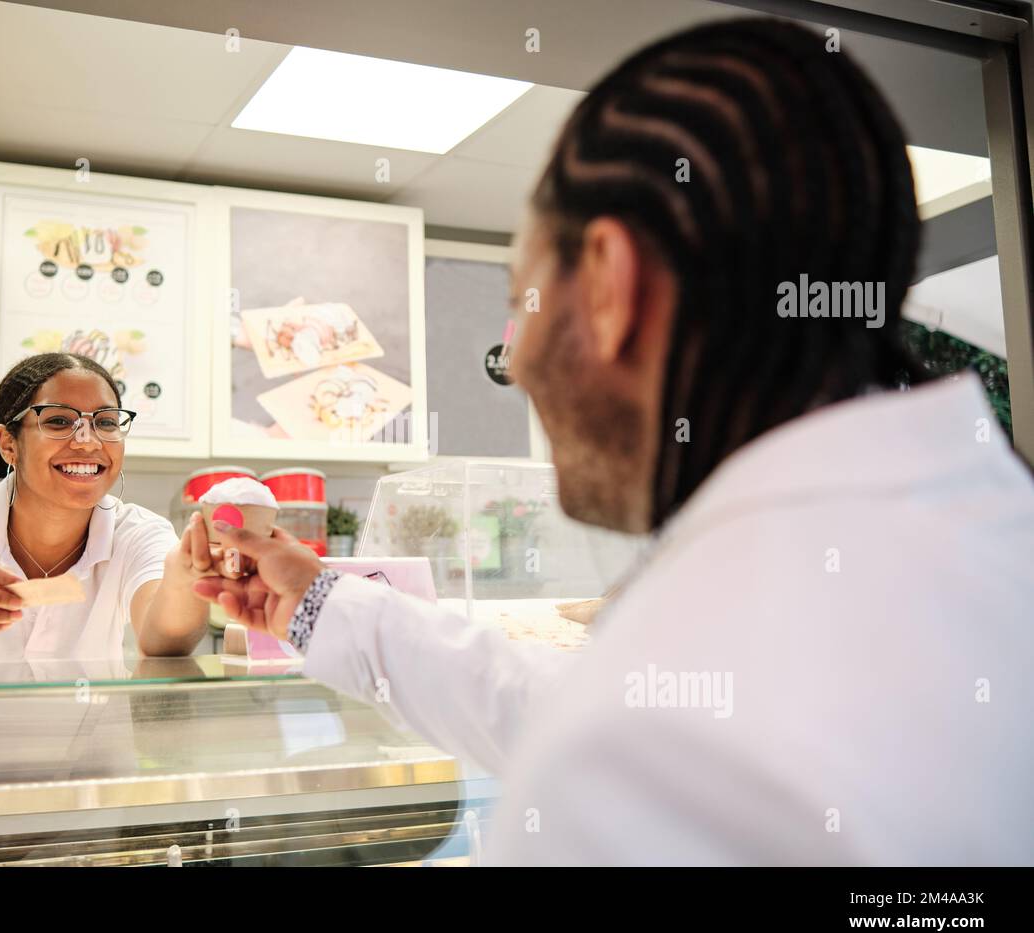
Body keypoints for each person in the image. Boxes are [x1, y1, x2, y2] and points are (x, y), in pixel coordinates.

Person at [193, 17, 1034, 864]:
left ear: (609, 284)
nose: (515, 368)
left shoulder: (650, 752)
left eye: (522, 300)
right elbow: (575, 700)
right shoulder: (979, 527)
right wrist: (316, 600)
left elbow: (622, 729)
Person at [0, 352, 216, 673]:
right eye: (59, 421)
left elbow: (162, 642)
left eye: (105, 422)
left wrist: (184, 580)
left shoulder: (140, 532)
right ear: (8, 444)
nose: (88, 443)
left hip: (88, 729)